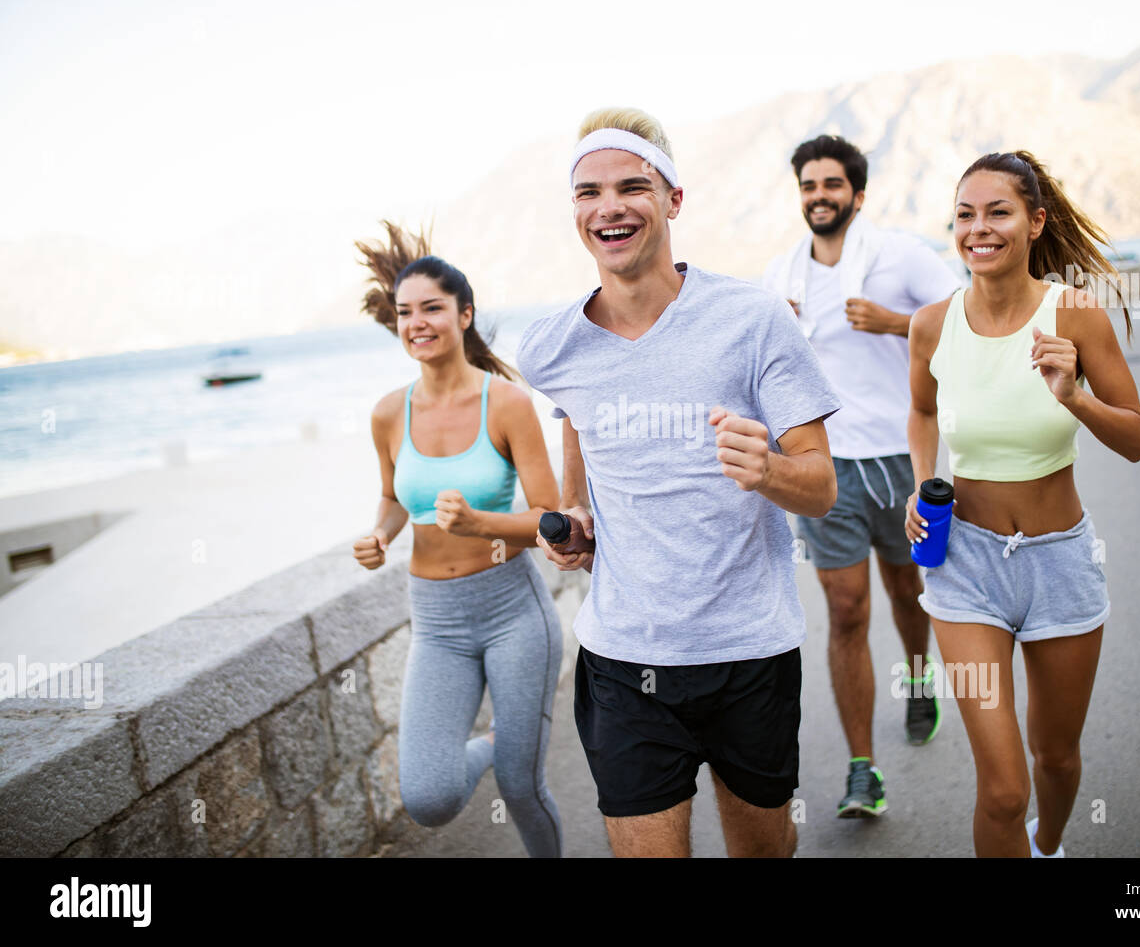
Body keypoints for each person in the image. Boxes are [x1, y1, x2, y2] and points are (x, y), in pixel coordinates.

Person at [516, 108, 840, 858]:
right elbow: (577, 426)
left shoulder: (752, 319)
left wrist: (768, 472)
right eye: (588, 193)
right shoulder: (553, 345)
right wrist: (572, 512)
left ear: (672, 199)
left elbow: (820, 486)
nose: (610, 207)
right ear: (575, 212)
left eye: (633, 186)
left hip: (749, 652)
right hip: (626, 659)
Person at [904, 151, 1140, 857]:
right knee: (1005, 791)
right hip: (965, 568)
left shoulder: (1074, 316)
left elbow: (1136, 439)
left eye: (998, 212)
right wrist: (922, 481)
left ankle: (1051, 846)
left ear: (1036, 221)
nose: (978, 229)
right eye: (964, 215)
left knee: (1057, 759)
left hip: (1061, 565)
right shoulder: (931, 325)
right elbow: (920, 413)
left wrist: (1074, 397)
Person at [763, 135, 961, 819]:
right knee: (846, 611)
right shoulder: (781, 278)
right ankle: (862, 771)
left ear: (858, 195)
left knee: (908, 591)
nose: (818, 195)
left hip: (904, 459)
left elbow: (967, 323)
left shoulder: (900, 256)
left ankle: (916, 675)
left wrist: (895, 322)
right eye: (808, 185)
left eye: (830, 184)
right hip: (825, 469)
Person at [352, 223, 564, 857]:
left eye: (432, 309)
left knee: (523, 790)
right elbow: (394, 498)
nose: (416, 323)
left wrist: (483, 525)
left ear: (463, 315)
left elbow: (553, 521)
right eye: (404, 313)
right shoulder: (389, 413)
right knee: (429, 797)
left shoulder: (507, 404)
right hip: (437, 621)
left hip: (513, 612)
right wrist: (379, 534)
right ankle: (500, 743)